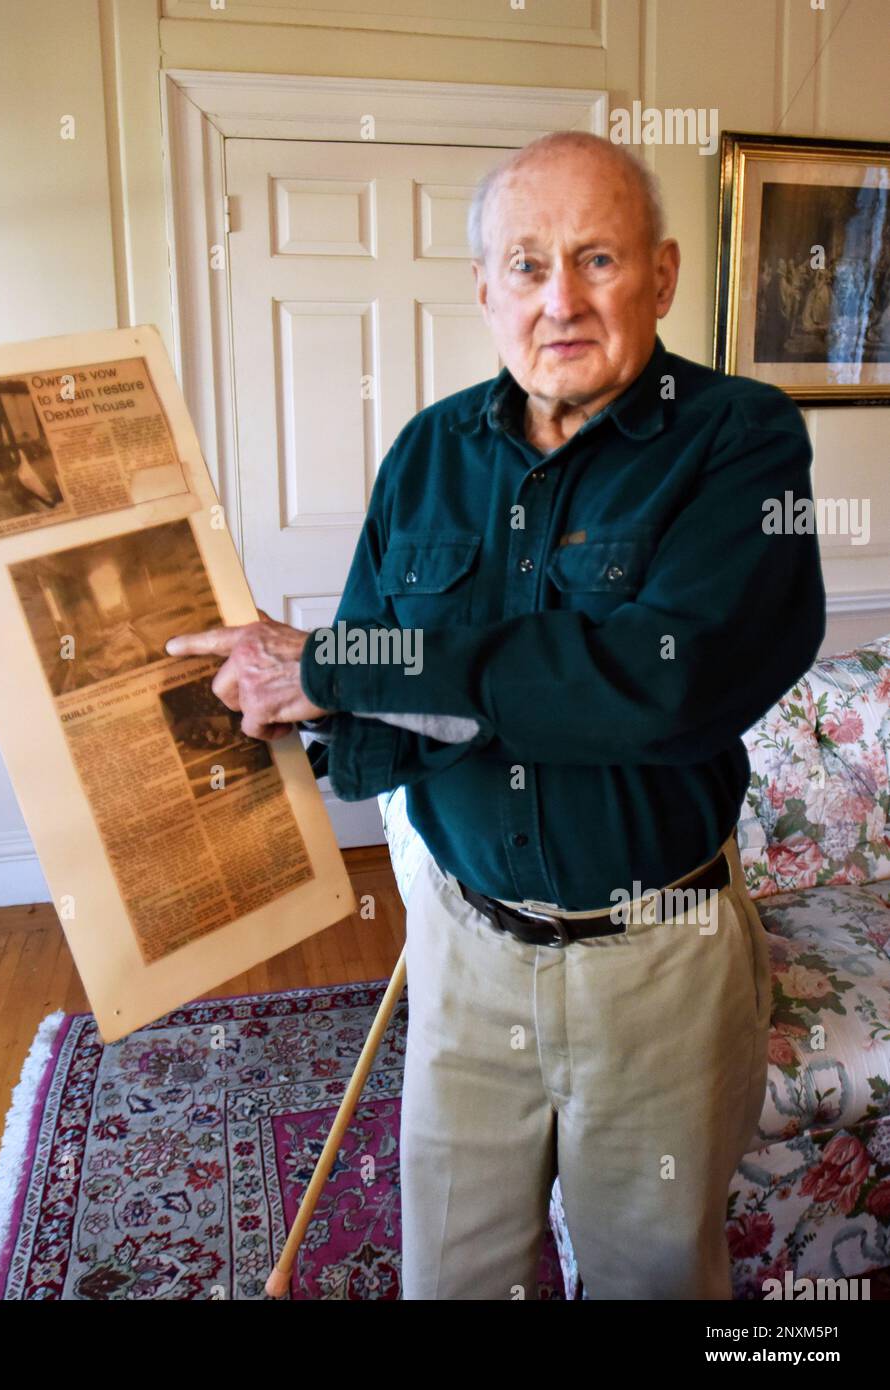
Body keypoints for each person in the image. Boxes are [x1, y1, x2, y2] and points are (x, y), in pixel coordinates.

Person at [165, 131, 825, 1300]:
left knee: (652, 1276)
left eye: (597, 259)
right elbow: (371, 712)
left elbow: (664, 681)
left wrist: (345, 664)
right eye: (526, 265)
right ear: (484, 290)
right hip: (462, 951)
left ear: (662, 275)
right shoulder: (428, 453)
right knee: (453, 1275)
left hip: (655, 964)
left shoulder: (743, 438)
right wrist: (277, 700)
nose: (559, 299)